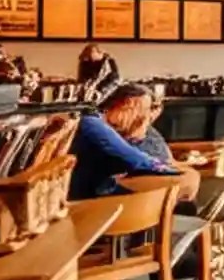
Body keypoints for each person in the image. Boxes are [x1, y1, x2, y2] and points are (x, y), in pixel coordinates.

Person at [69, 84, 197, 201]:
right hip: (89, 199)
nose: (145, 119)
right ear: (129, 103)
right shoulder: (91, 122)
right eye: (145, 111)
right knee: (182, 181)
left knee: (186, 180)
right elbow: (132, 158)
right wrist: (170, 170)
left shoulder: (116, 128)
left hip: (107, 195)